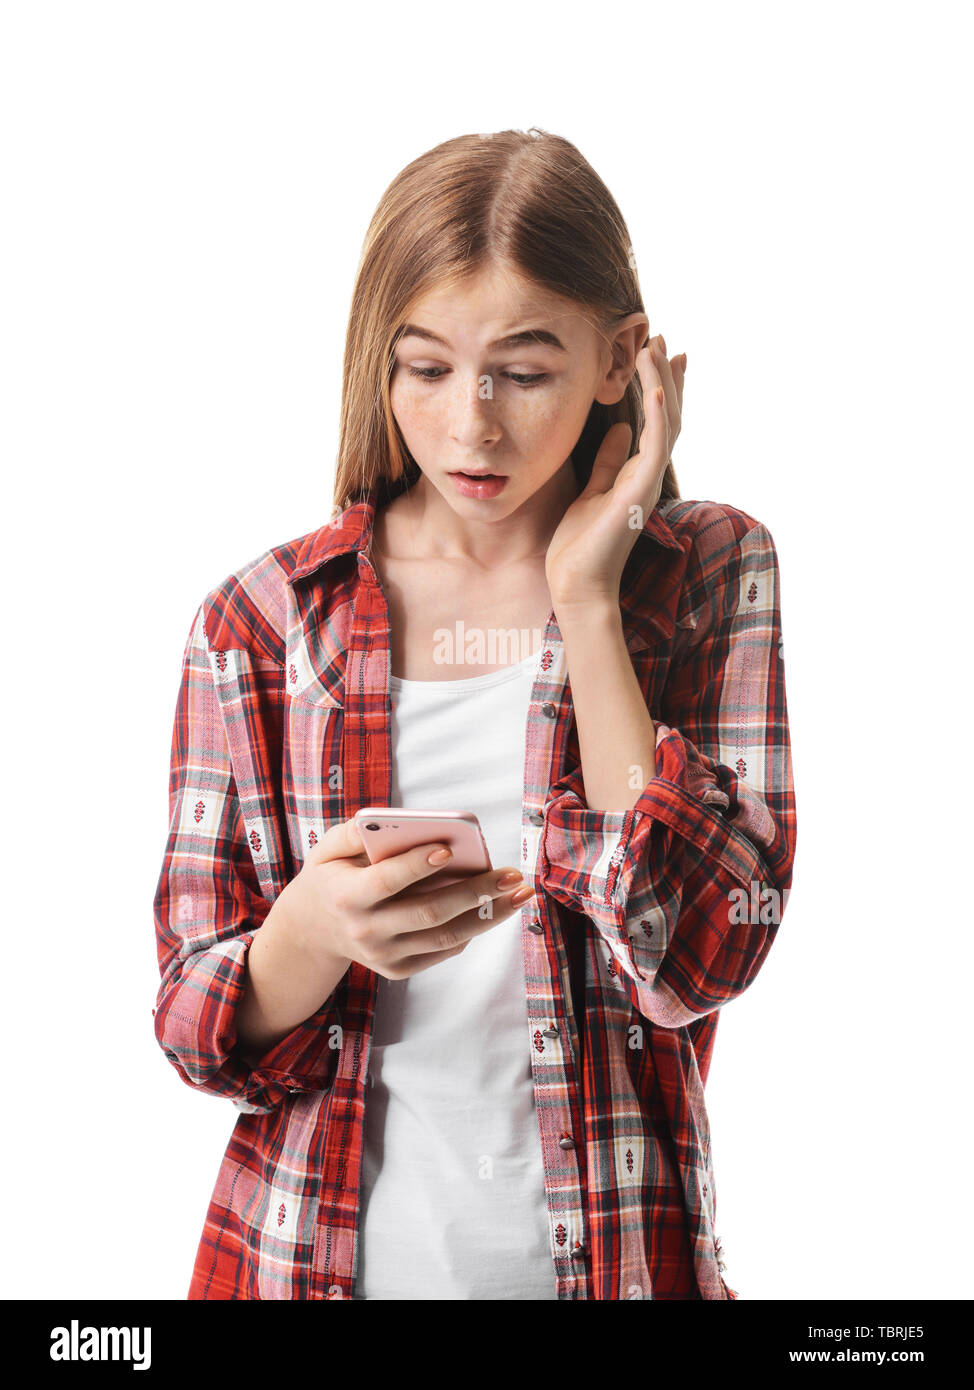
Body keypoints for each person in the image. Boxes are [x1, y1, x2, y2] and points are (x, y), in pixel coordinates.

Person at [152, 127, 796, 1301]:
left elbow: (698, 953)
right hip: (300, 1266)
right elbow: (193, 1019)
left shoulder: (706, 572)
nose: (471, 425)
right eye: (427, 367)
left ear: (621, 363)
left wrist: (584, 601)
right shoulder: (258, 622)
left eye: (525, 367)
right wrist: (309, 932)